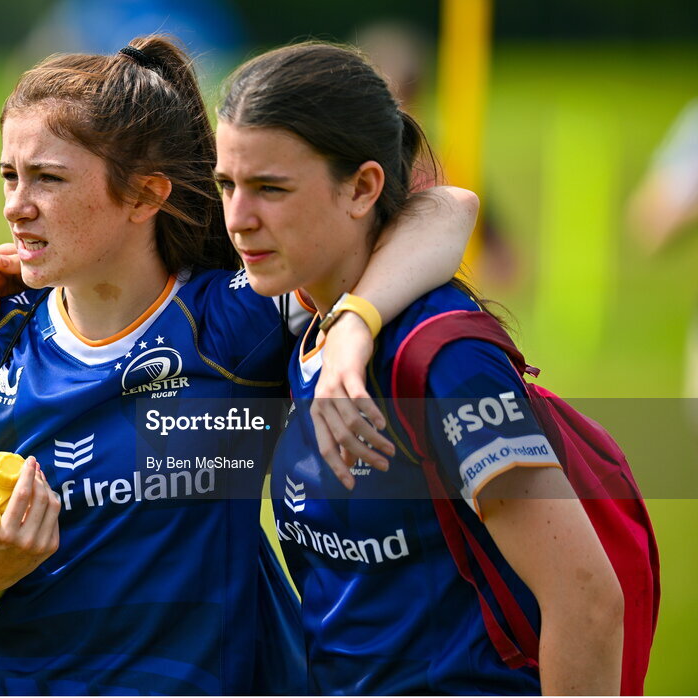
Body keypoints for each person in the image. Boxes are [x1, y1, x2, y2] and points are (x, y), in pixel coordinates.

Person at [0, 36, 475, 695]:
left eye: (49, 178)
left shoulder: (236, 320)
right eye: (10, 176)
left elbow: (447, 208)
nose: (15, 203)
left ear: (144, 195)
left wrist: (354, 325)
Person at [213, 41, 624, 695]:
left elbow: (588, 602)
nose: (237, 219)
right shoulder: (297, 318)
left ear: (364, 187)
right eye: (227, 185)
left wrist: (359, 325)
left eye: (270, 188)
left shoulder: (444, 362)